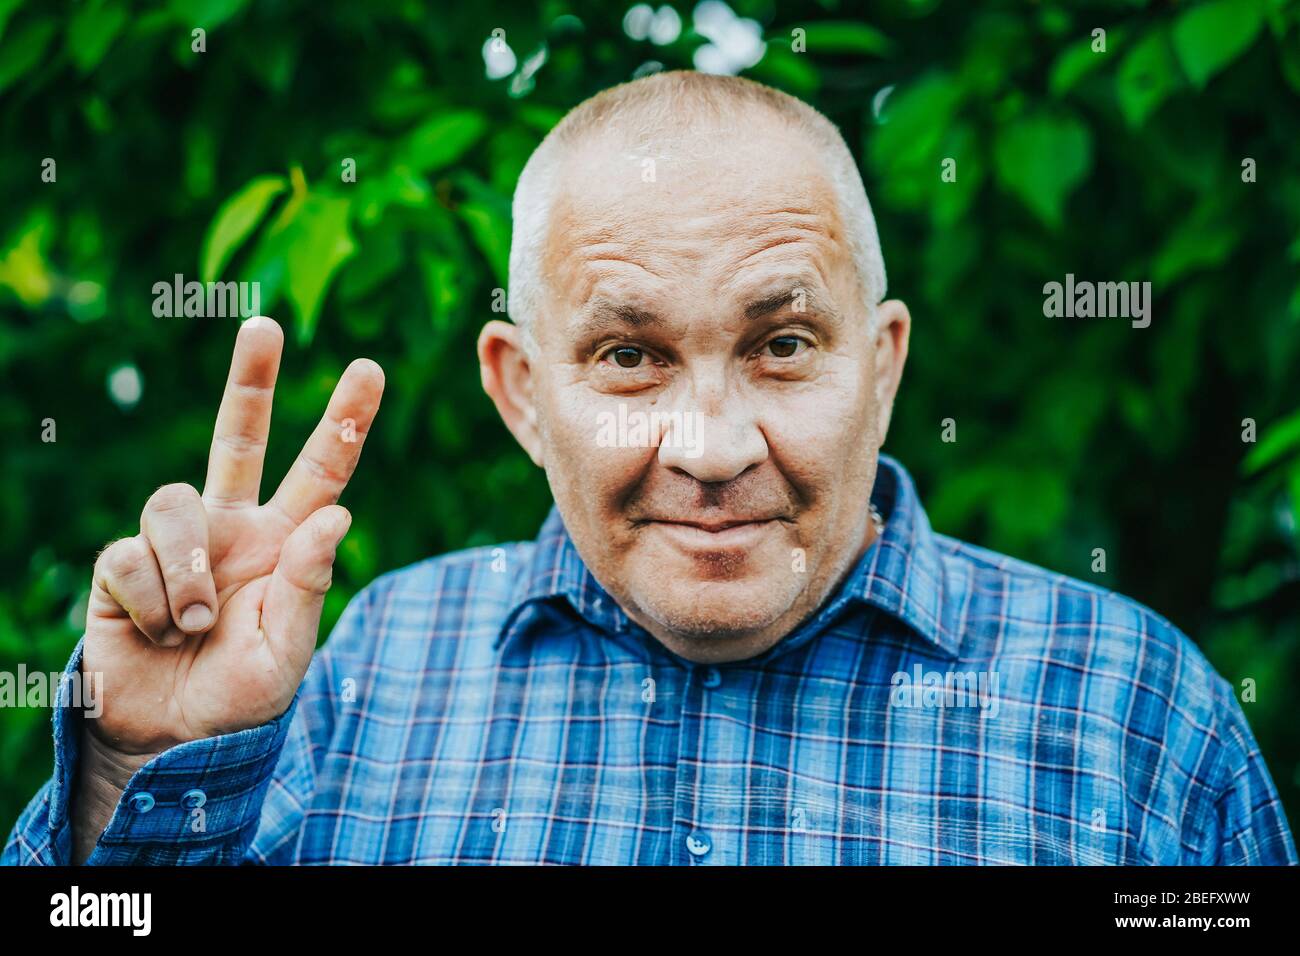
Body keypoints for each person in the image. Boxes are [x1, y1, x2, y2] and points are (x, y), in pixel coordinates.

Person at [5, 71, 1294, 865]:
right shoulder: (353, 682)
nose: (716, 448)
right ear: (522, 392)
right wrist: (126, 774)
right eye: (628, 358)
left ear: (884, 366)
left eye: (784, 345)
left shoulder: (1141, 717)